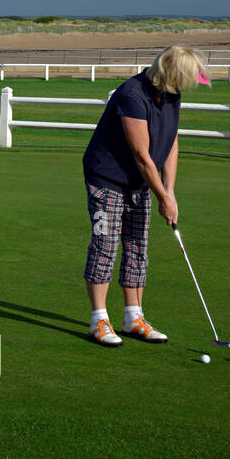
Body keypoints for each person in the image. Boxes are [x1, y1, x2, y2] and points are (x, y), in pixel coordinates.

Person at [80, 45, 210, 347]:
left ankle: (133, 317)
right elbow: (141, 155)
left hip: (140, 183)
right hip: (106, 180)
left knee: (138, 246)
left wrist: (170, 191)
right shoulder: (131, 96)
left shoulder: (172, 94)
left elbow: (170, 143)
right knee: (105, 245)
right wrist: (162, 197)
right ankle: (99, 320)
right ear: (170, 72)